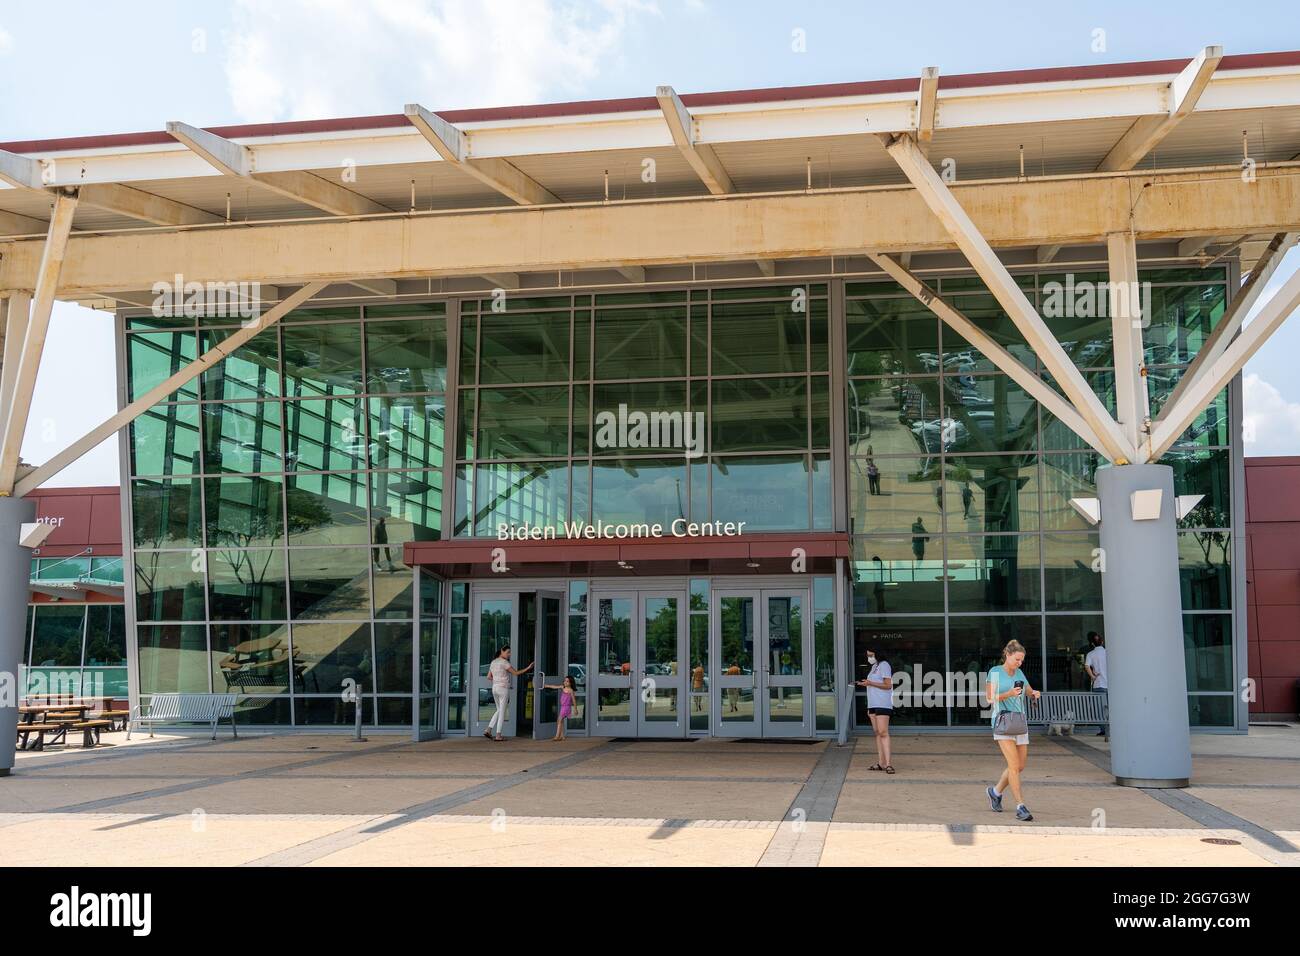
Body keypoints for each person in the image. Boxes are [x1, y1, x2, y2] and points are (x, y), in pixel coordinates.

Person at [985, 639, 1041, 821]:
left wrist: (1034, 693)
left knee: (1019, 766)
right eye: (1017, 659)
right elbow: (989, 698)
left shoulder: (1020, 673)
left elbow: (1028, 690)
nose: (1020, 663)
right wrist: (1009, 694)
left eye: (1022, 660)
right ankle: (1020, 806)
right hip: (1002, 722)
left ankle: (995, 792)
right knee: (1014, 766)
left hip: (1019, 722)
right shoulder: (995, 672)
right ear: (1008, 655)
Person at [856, 648, 895, 774]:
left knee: (883, 732)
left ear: (878, 653)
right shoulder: (875, 666)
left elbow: (888, 685)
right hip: (873, 704)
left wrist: (870, 683)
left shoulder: (884, 665)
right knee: (878, 733)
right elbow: (873, 683)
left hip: (882, 703)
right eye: (868, 655)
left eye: (871, 655)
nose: (869, 657)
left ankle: (888, 764)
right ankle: (881, 763)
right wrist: (866, 683)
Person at [484, 645, 533, 742]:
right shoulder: (504, 662)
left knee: (498, 710)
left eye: (510, 652)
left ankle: (488, 729)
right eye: (508, 652)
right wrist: (528, 668)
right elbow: (516, 673)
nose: (509, 654)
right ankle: (498, 735)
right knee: (502, 711)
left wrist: (497, 680)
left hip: (495, 688)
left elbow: (488, 677)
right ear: (502, 651)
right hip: (503, 689)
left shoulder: (493, 662)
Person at [1084, 631, 1108, 737]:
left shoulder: (1091, 654)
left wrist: (1092, 677)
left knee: (1100, 709)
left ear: (1092, 643)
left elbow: (1086, 666)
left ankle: (1104, 730)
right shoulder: (1107, 652)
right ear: (1102, 641)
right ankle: (1111, 729)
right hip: (1109, 685)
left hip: (1099, 684)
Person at [542, 674, 577, 741]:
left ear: (570, 683)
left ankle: (557, 736)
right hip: (562, 707)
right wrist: (546, 686)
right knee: (561, 721)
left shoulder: (570, 690)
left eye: (567, 681)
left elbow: (574, 700)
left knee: (559, 720)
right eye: (565, 681)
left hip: (566, 707)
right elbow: (554, 686)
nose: (565, 682)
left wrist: (575, 709)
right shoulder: (563, 687)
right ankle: (562, 736)